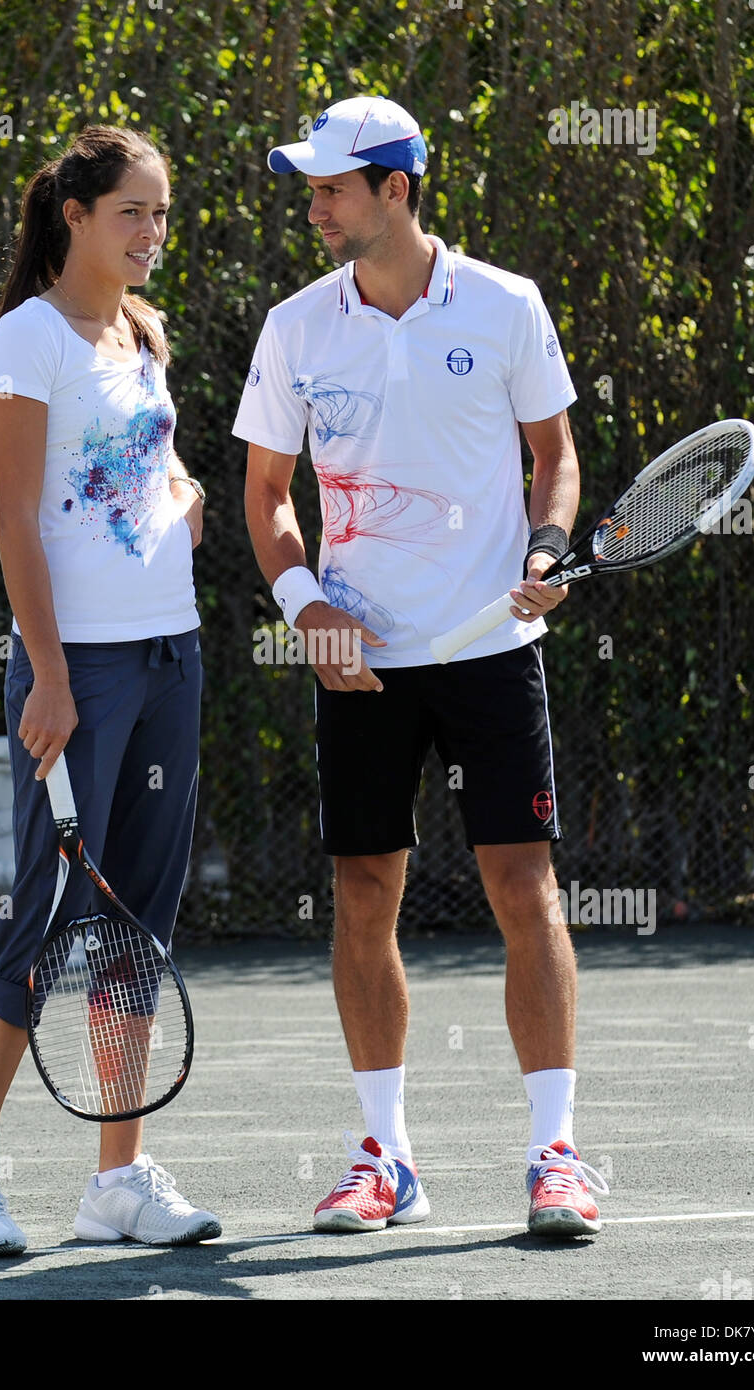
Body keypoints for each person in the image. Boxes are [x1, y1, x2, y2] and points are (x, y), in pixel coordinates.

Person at [235, 96, 609, 1237]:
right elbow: (264, 493)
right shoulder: (295, 326)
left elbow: (554, 456)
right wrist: (306, 608)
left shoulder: (504, 306)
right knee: (361, 893)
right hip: (362, 665)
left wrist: (547, 548)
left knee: (521, 889)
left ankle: (554, 1154)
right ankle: (384, 1160)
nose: (313, 207)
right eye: (309, 189)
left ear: (393, 188)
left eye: (330, 188)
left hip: (494, 651)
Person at [0, 125, 220, 1255]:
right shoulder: (26, 339)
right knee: (38, 919)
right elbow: (15, 517)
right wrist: (48, 673)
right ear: (75, 217)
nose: (152, 233)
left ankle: (116, 1180)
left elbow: (153, 465)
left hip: (168, 657)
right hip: (75, 671)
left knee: (134, 921)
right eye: (131, 213)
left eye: (160, 212)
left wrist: (185, 495)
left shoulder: (140, 330)